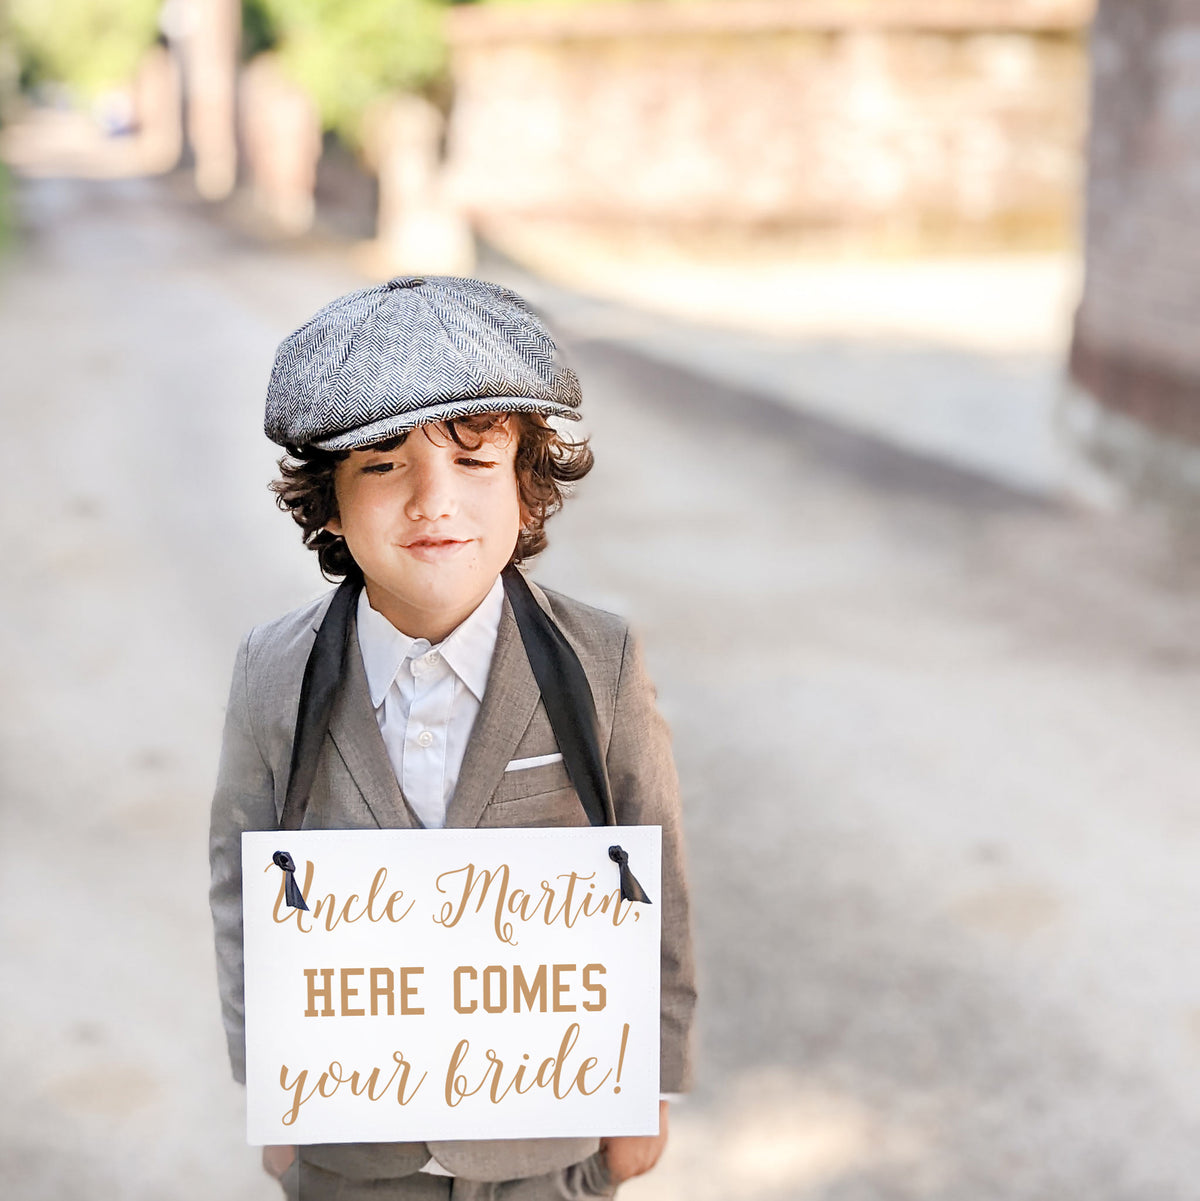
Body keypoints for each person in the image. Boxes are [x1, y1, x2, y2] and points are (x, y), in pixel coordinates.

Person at [208, 275, 696, 1201]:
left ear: (527, 487)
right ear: (330, 505)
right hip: (355, 1153)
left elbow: (654, 870)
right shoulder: (271, 672)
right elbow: (242, 881)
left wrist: (646, 1094)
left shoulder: (600, 662)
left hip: (542, 1150)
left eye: (474, 463)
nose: (435, 503)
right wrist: (271, 1099)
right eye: (385, 466)